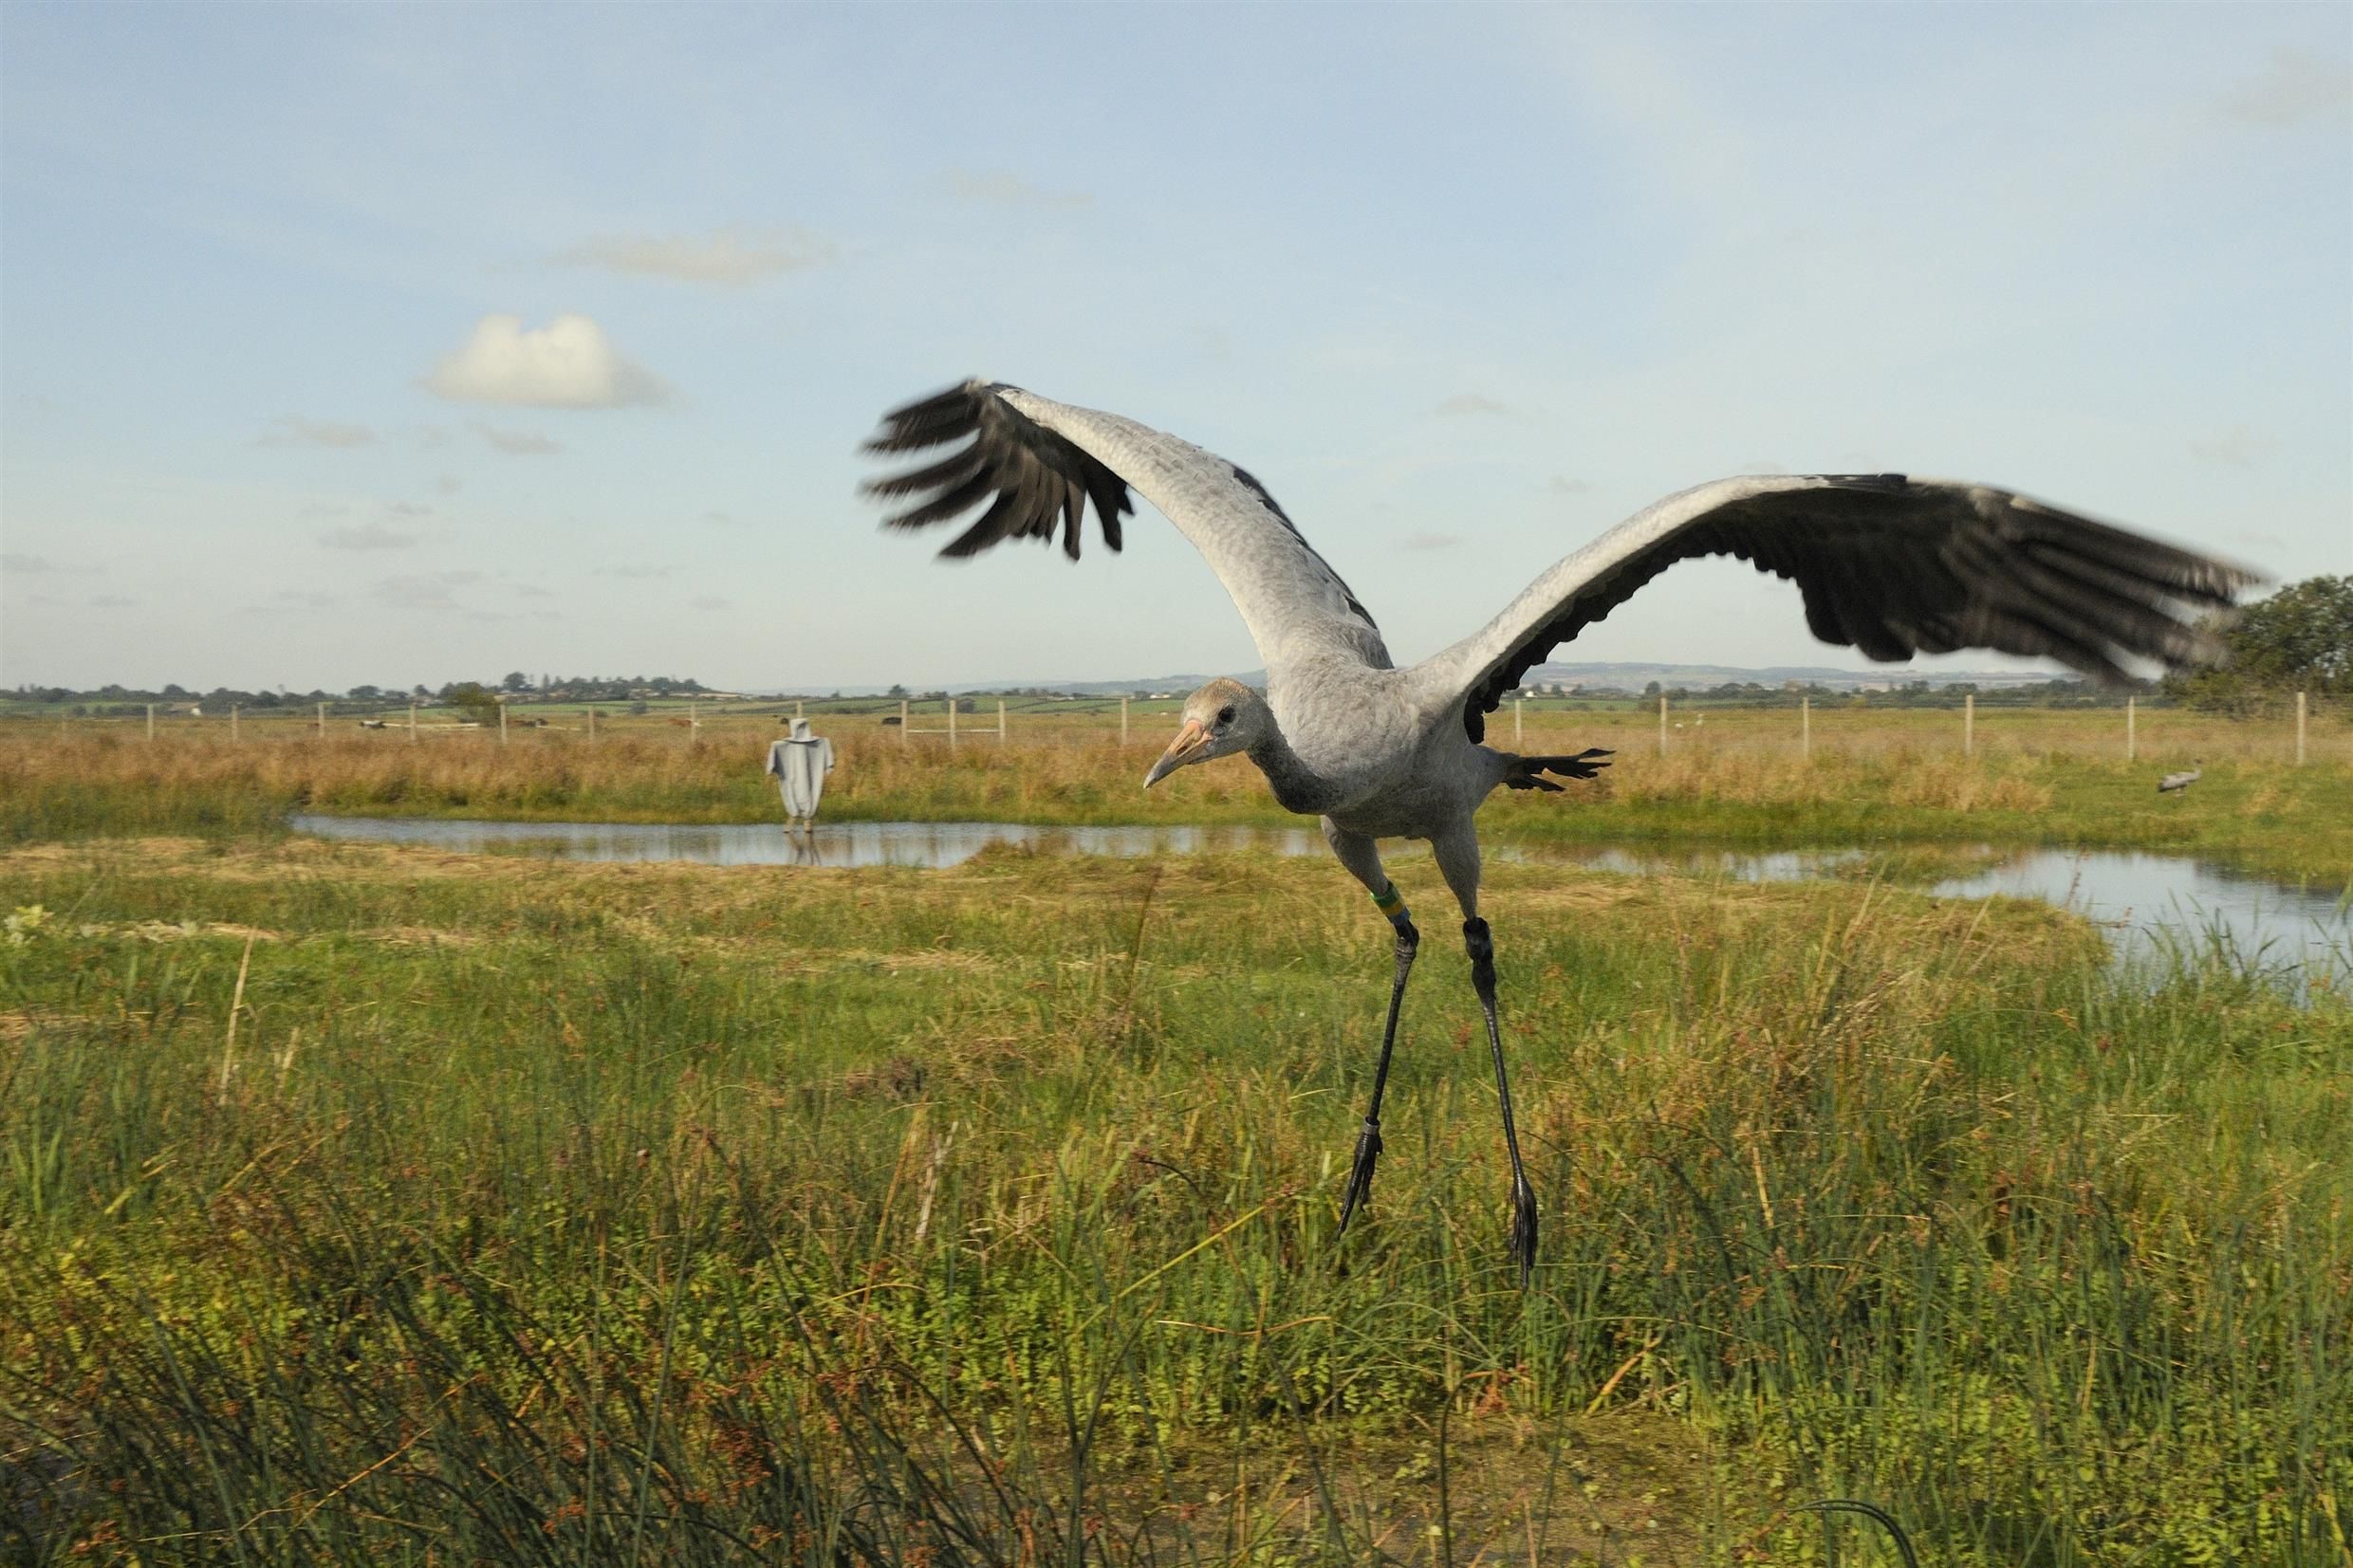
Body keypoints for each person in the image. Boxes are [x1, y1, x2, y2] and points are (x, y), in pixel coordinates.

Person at [765, 716, 834, 832]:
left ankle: (802, 820)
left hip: (801, 777)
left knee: (799, 794)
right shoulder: (818, 743)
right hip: (806, 777)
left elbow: (773, 755)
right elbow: (828, 755)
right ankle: (803, 820)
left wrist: (770, 769)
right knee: (806, 793)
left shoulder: (783, 745)